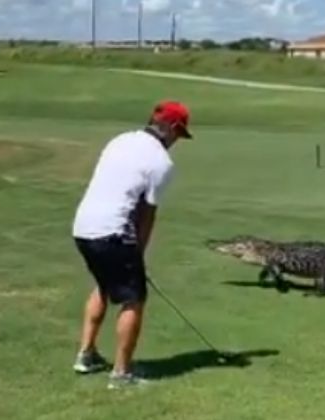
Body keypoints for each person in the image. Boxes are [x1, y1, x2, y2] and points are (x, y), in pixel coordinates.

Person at [70, 100, 193, 389]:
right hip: (114, 231)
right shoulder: (161, 163)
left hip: (83, 227)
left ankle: (86, 356)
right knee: (133, 299)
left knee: (104, 285)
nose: (177, 141)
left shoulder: (120, 140)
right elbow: (146, 216)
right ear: (173, 128)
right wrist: (138, 255)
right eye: (179, 134)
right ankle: (121, 374)